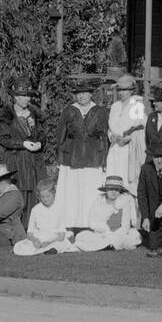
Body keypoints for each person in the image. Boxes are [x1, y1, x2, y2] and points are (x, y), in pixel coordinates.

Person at [54, 74, 109, 228]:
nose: (82, 96)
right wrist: (60, 158)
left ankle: (89, 224)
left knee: (91, 191)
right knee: (72, 192)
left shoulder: (100, 111)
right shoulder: (69, 111)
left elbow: (104, 136)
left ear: (91, 94)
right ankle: (71, 223)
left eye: (85, 93)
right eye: (79, 93)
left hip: (93, 157)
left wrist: (104, 159)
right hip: (73, 157)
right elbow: (61, 135)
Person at [0, 77, 47, 225]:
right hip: (16, 160)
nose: (26, 98)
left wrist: (40, 143)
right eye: (23, 95)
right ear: (15, 97)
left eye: (28, 95)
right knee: (18, 193)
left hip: (34, 161)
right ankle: (17, 229)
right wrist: (22, 143)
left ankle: (35, 227)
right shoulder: (6, 115)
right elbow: (3, 139)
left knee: (36, 192)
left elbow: (42, 134)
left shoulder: (34, 114)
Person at [75, 174, 142, 252]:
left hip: (119, 233)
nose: (114, 192)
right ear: (106, 190)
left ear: (120, 191)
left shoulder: (124, 201)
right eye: (110, 189)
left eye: (117, 190)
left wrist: (117, 233)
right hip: (102, 233)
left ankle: (108, 244)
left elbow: (126, 224)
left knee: (132, 237)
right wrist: (106, 230)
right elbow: (92, 221)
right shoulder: (99, 200)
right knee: (81, 236)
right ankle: (107, 244)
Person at [104, 74, 147, 195]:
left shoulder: (136, 106)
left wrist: (128, 138)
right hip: (114, 148)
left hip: (129, 149)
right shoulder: (115, 106)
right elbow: (111, 127)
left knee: (128, 179)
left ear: (131, 91)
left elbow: (142, 128)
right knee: (113, 177)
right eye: (119, 90)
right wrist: (111, 135)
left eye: (124, 90)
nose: (121, 92)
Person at [14, 179, 79, 256]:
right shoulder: (35, 209)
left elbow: (61, 235)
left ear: (53, 194)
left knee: (64, 241)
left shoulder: (60, 208)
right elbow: (30, 232)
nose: (45, 199)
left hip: (55, 238)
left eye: (48, 196)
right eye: (42, 197)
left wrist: (49, 242)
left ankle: (51, 249)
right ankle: (44, 249)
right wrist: (35, 240)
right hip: (40, 237)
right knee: (22, 245)